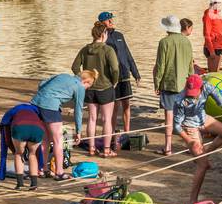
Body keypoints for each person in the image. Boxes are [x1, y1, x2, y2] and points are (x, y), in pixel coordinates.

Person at [175, 73, 222, 204]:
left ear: (201, 87)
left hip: (204, 119)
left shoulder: (208, 87)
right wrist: (189, 141)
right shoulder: (180, 99)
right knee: (203, 165)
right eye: (189, 92)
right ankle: (193, 201)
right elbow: (176, 126)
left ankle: (205, 153)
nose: (191, 96)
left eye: (194, 93)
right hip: (189, 126)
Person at [31, 70, 95, 180]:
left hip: (36, 103)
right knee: (58, 140)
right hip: (50, 107)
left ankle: (42, 169)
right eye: (89, 86)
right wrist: (79, 131)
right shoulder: (79, 86)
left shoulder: (63, 75)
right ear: (86, 81)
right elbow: (78, 110)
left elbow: (41, 84)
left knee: (45, 140)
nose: (87, 89)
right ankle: (59, 172)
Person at [72, 22, 121, 157]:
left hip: (89, 88)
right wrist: (114, 81)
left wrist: (82, 80)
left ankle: (91, 148)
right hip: (105, 87)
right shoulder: (107, 49)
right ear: (103, 34)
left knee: (92, 119)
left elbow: (75, 67)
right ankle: (106, 149)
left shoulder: (84, 49)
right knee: (106, 119)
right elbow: (115, 69)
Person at [153, 14, 194, 156]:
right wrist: (192, 83)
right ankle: (191, 145)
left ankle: (168, 147)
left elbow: (160, 66)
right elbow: (190, 66)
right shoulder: (186, 42)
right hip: (184, 84)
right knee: (186, 117)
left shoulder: (164, 42)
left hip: (168, 84)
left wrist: (157, 83)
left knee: (169, 118)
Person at [96, 12, 141, 135]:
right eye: (108, 19)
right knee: (114, 106)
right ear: (101, 22)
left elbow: (127, 54)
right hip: (112, 77)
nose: (111, 21)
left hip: (125, 74)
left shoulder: (119, 35)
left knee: (127, 105)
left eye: (111, 19)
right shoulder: (101, 38)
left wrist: (135, 73)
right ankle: (112, 132)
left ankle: (127, 132)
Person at [6, 107, 47, 191]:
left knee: (18, 154)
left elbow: (6, 125)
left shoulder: (14, 111)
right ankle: (34, 184)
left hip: (20, 127)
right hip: (37, 129)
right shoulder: (35, 111)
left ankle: (20, 184)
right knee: (32, 154)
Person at [202, 0, 222, 73]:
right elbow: (206, 34)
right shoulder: (208, 15)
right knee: (213, 73)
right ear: (214, 3)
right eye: (219, 3)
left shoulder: (218, 14)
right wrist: (211, 51)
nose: (220, 6)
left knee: (216, 72)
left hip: (219, 47)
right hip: (213, 47)